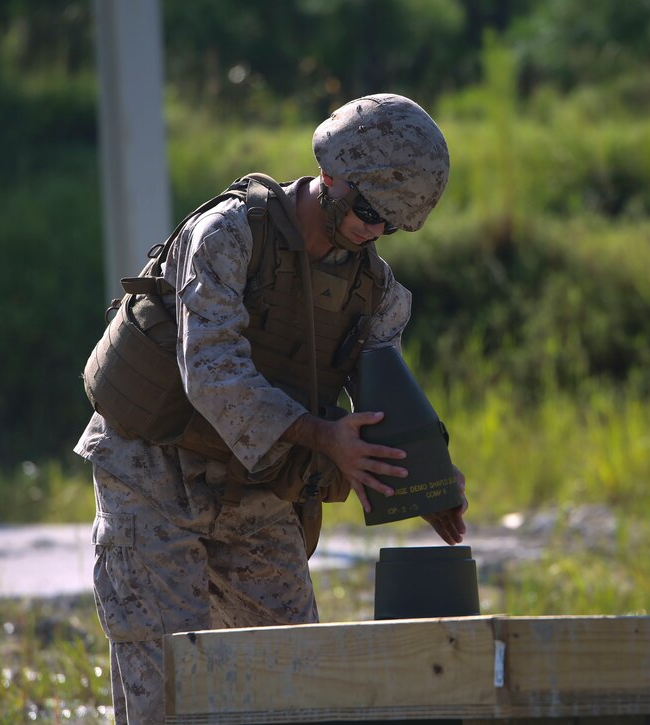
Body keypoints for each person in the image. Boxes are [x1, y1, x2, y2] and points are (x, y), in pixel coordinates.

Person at [74, 93, 466, 723]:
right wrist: (323, 436)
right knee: (165, 688)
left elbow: (384, 400)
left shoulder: (374, 291)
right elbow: (212, 372)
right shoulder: (228, 235)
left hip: (253, 492)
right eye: (368, 210)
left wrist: (427, 484)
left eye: (390, 223)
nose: (373, 230)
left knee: (296, 682)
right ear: (332, 174)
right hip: (153, 474)